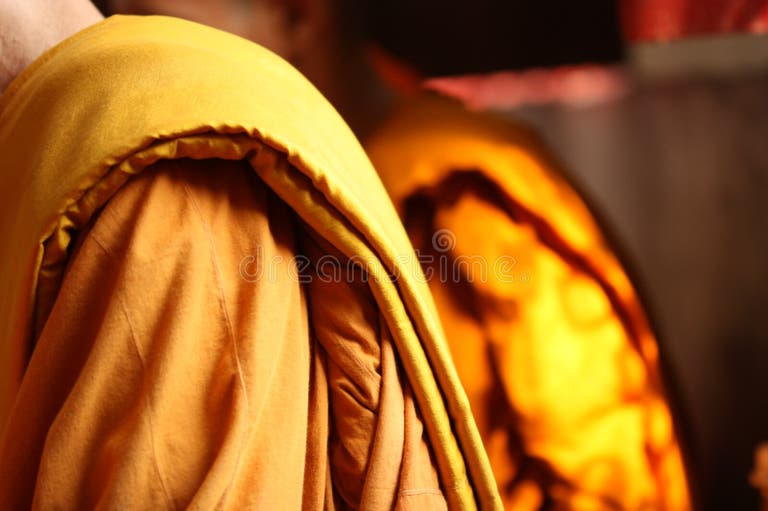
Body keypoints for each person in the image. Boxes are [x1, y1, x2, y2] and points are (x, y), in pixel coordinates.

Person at [102, 0, 693, 509]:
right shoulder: (287, 200)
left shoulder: (459, 197)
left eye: (166, 33)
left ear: (297, 16)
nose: (136, 67)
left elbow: (603, 471)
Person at [0, 1, 501, 509]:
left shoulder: (181, 176)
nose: (135, 39)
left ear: (297, 17)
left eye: (156, 20)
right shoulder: (68, 149)